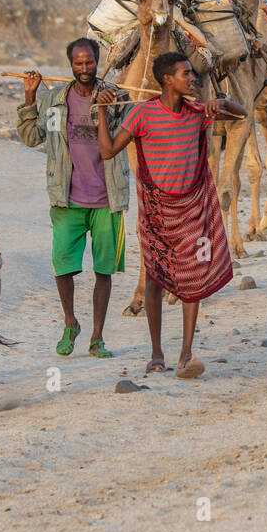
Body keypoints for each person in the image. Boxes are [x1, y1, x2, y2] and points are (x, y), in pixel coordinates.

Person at [96, 52, 243, 378]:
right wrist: (103, 111)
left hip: (192, 209)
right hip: (157, 214)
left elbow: (241, 114)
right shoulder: (141, 115)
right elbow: (108, 151)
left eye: (192, 74)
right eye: (186, 74)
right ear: (167, 80)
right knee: (154, 278)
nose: (193, 79)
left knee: (194, 278)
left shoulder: (197, 112)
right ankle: (156, 353)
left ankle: (187, 352)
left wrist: (222, 103)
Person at [17, 38, 132, 358]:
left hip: (109, 198)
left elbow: (127, 135)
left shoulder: (119, 97)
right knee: (63, 266)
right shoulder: (55, 100)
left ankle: (97, 337)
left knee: (104, 271)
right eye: (78, 63)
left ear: (98, 61)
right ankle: (71, 323)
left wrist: (109, 109)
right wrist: (29, 97)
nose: (84, 69)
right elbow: (32, 137)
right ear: (71, 64)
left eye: (90, 62)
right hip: (66, 199)